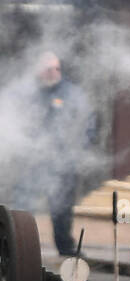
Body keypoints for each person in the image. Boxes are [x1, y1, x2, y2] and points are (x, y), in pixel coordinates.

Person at [31, 53, 95, 257]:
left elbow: (88, 122)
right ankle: (20, 249)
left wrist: (81, 149)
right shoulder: (33, 93)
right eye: (48, 69)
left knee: (62, 207)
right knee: (23, 201)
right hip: (36, 160)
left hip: (65, 161)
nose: (53, 73)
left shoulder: (72, 93)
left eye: (56, 68)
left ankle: (65, 247)